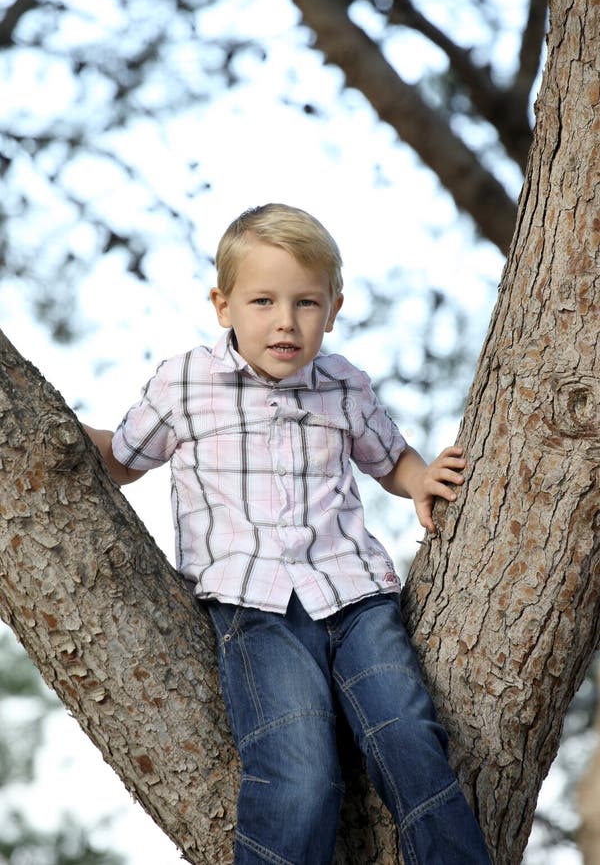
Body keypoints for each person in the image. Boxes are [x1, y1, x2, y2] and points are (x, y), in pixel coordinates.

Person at [84, 203, 491, 865]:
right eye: (263, 300)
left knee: (411, 739)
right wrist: (54, 433)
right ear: (223, 306)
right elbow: (123, 458)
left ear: (333, 309)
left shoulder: (343, 384)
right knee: (301, 775)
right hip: (256, 612)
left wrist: (422, 480)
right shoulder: (186, 381)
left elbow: (391, 460)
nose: (285, 321)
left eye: (306, 303)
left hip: (357, 599)